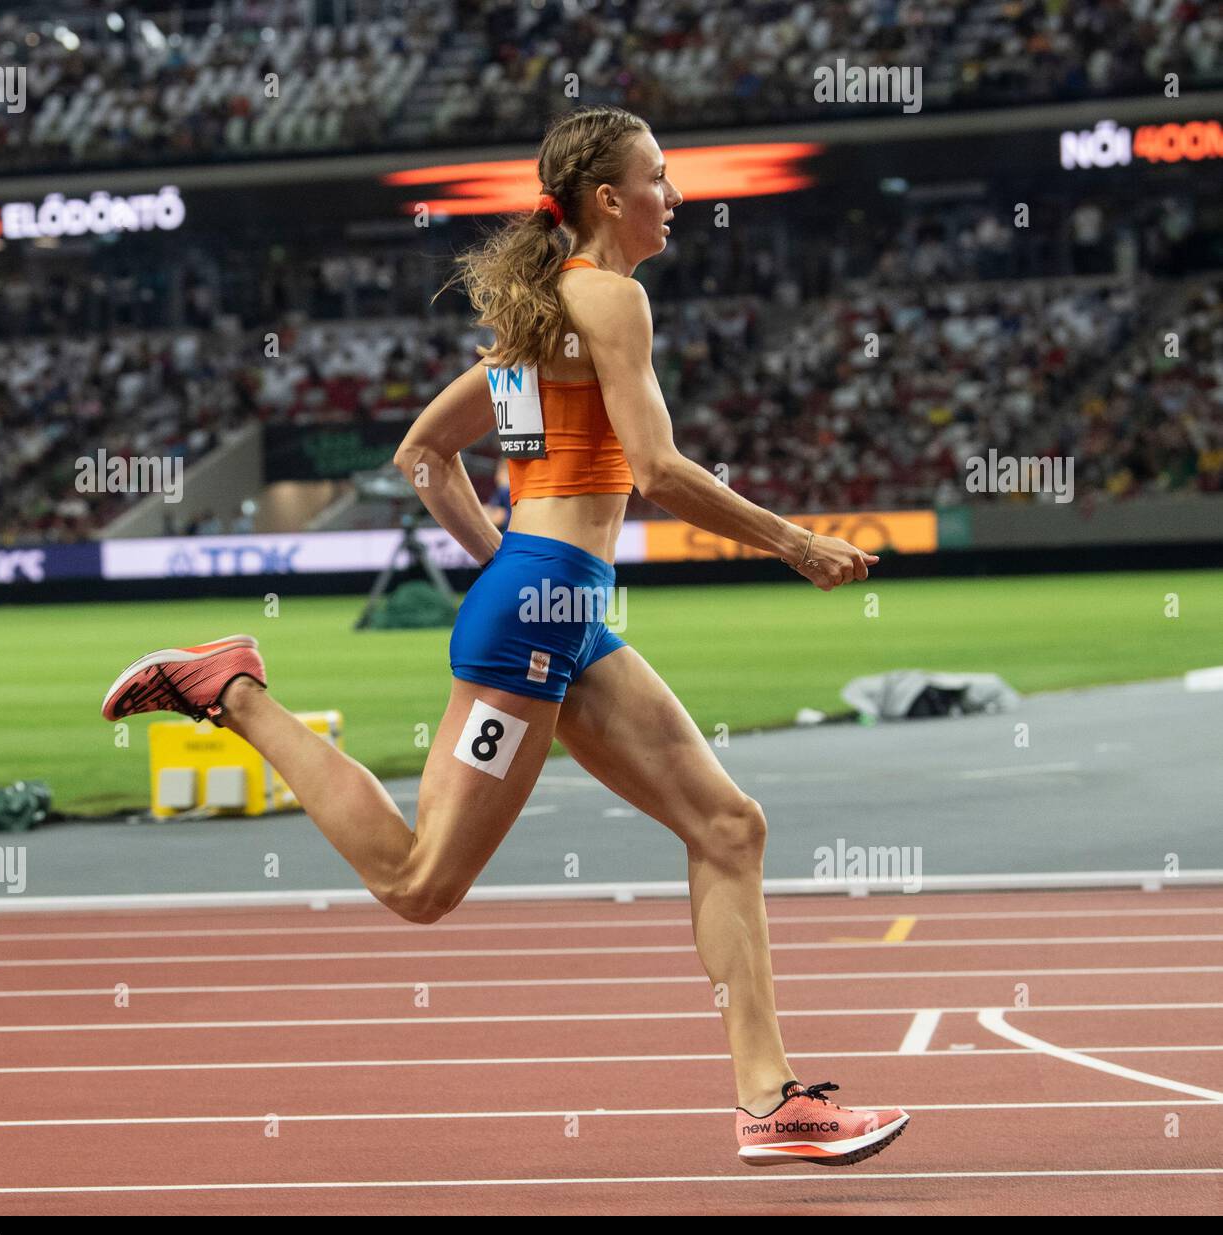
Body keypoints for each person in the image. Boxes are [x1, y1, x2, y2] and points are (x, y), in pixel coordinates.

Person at [100, 105, 907, 1167]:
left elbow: (424, 456)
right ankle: (233, 691)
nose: (676, 197)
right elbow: (656, 471)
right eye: (659, 179)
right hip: (545, 609)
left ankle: (769, 1102)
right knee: (420, 883)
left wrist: (507, 564)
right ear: (608, 200)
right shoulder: (609, 296)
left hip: (554, 607)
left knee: (728, 828)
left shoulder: (539, 322)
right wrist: (795, 542)